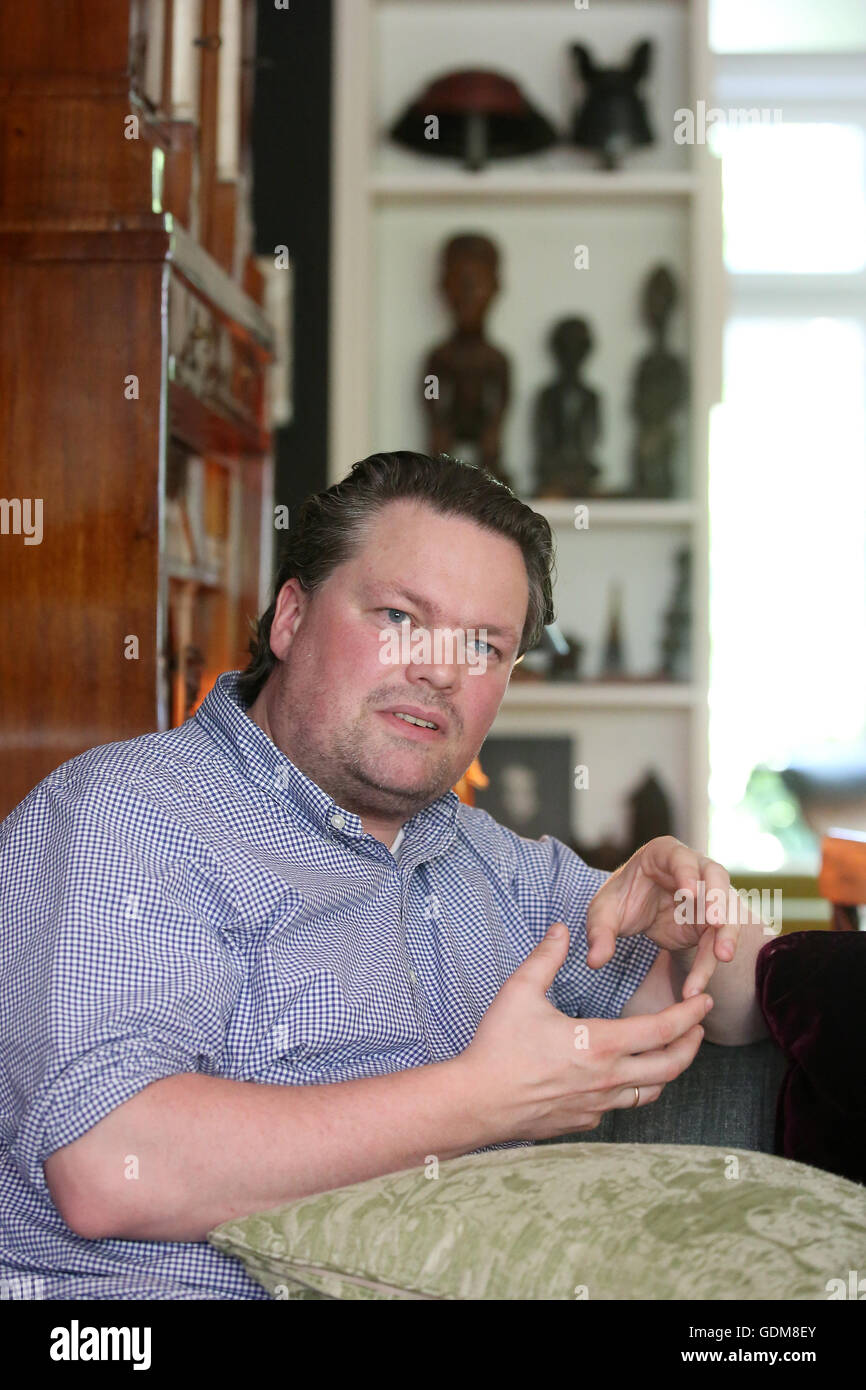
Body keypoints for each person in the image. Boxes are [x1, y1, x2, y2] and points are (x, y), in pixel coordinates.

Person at [0, 451, 768, 1300]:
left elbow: (731, 1009)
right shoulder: (129, 814)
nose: (442, 669)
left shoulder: (491, 865)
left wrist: (708, 917)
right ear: (291, 618)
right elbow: (109, 1166)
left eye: (484, 645)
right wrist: (483, 1100)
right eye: (402, 616)